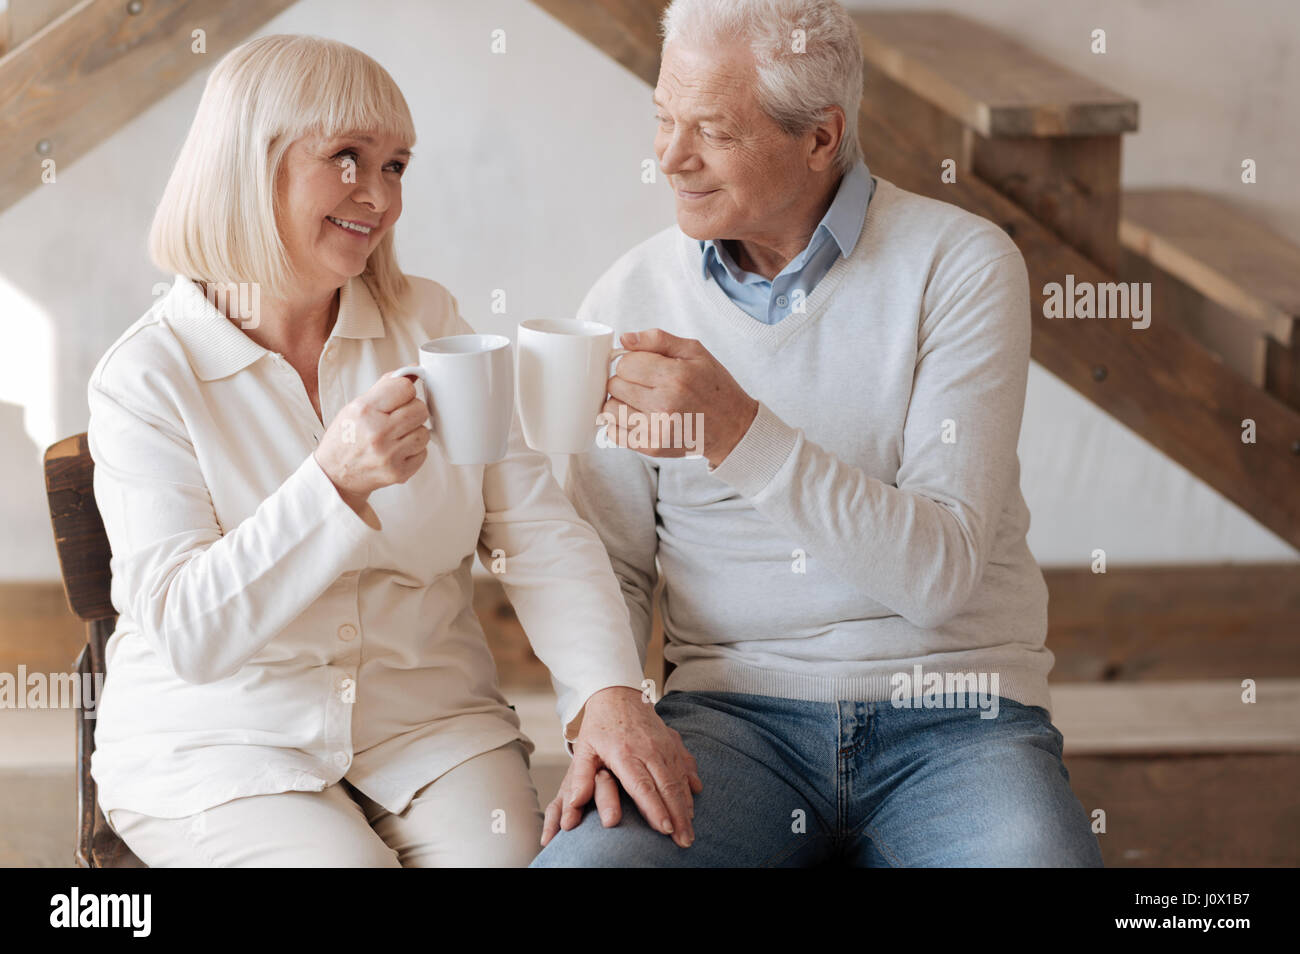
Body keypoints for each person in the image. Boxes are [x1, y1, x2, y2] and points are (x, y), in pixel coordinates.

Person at [87, 33, 698, 868]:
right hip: (223, 742)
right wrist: (332, 483)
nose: (379, 196)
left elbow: (540, 532)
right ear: (248, 164)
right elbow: (193, 634)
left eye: (398, 166)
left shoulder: (434, 328)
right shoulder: (147, 377)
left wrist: (607, 695)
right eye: (348, 157)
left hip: (429, 730)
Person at [533, 0, 1102, 867]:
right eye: (662, 119)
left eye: (712, 131)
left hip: (957, 719)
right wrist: (601, 704)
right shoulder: (629, 297)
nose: (669, 156)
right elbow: (607, 560)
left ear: (821, 137)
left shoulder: (960, 266)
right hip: (729, 724)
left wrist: (736, 429)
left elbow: (938, 571)